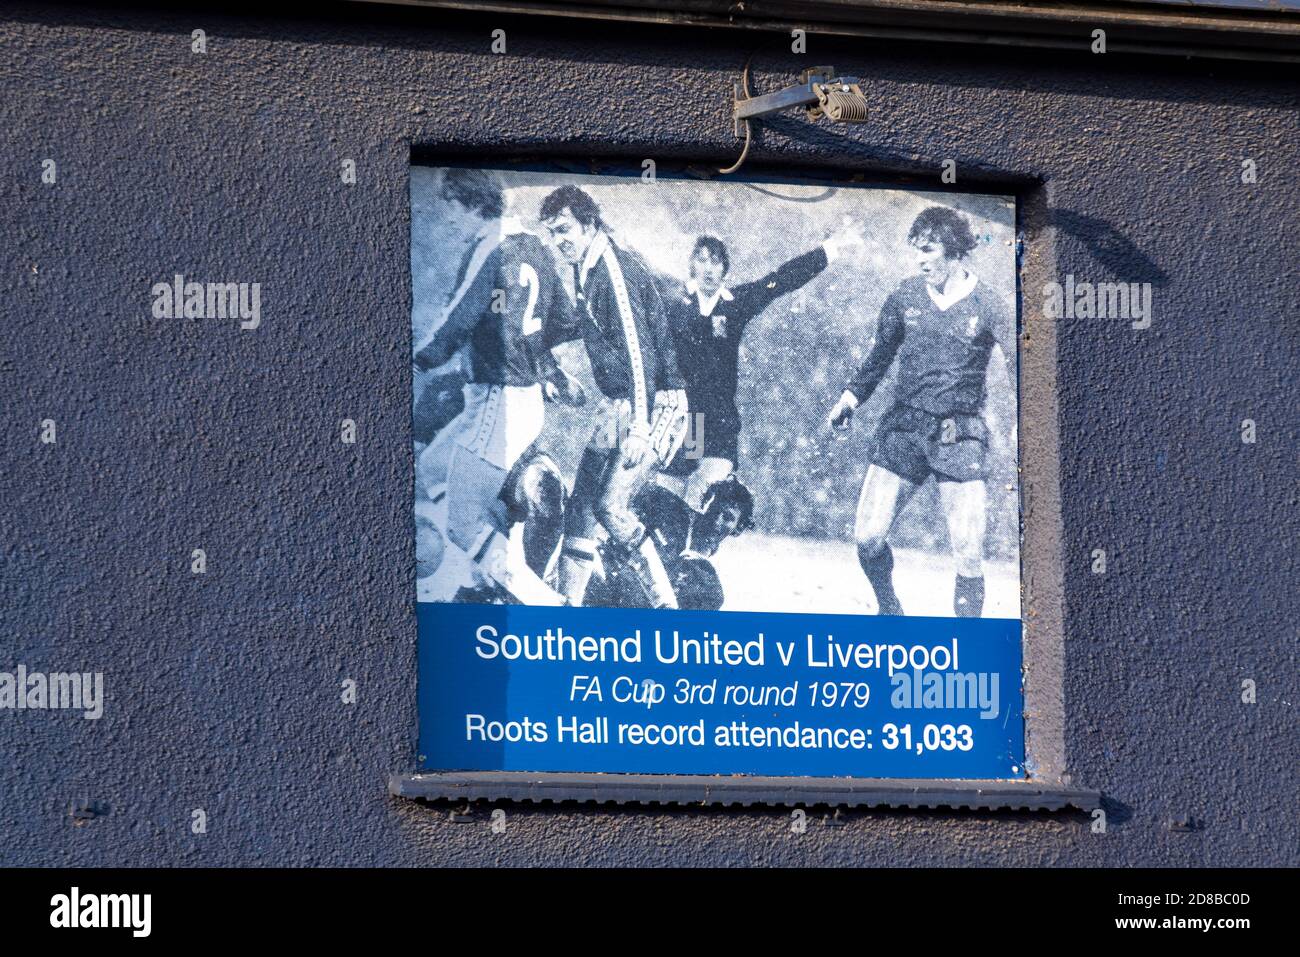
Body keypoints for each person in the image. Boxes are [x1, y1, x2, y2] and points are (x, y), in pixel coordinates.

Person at [828, 206, 1014, 618]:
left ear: (954, 252)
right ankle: (889, 609)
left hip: (959, 431)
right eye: (916, 250)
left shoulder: (989, 304)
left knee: (968, 550)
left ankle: (967, 645)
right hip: (905, 425)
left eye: (928, 250)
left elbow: (1022, 363)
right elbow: (878, 356)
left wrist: (1025, 424)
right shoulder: (904, 297)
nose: (919, 259)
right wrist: (850, 397)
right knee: (867, 538)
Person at [412, 168, 580, 598]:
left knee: (462, 522)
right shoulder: (536, 249)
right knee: (430, 472)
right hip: (518, 401)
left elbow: (457, 321)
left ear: (471, 203)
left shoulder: (490, 250)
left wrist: (417, 359)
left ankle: (544, 604)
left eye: (451, 206)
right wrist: (533, 354)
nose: (449, 219)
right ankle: (483, 583)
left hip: (495, 403)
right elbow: (565, 319)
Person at [538, 185, 689, 608]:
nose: (558, 241)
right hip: (621, 404)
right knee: (580, 508)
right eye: (552, 233)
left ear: (589, 225)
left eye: (564, 229)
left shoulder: (612, 270)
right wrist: (541, 353)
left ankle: (667, 609)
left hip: (657, 405)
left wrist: (641, 429)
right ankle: (567, 610)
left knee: (610, 506)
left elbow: (639, 357)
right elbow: (577, 326)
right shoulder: (584, 266)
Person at [659, 227, 862, 509]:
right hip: (690, 420)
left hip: (720, 418)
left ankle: (694, 546)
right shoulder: (675, 304)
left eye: (716, 262)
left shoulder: (734, 304)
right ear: (692, 264)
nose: (709, 268)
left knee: (705, 499)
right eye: (703, 260)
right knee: (675, 500)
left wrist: (829, 250)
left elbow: (780, 281)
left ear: (724, 269)